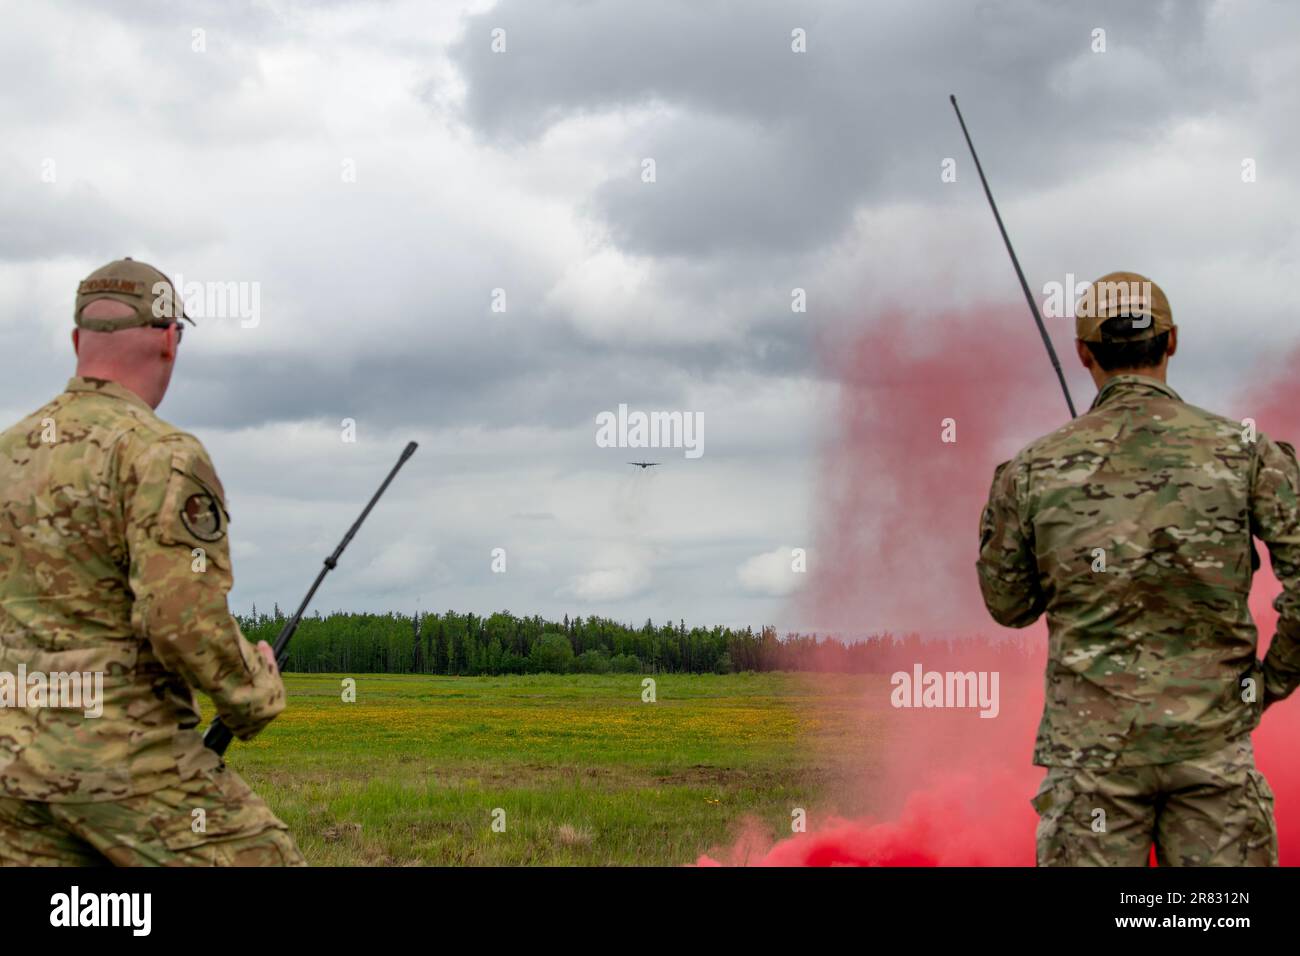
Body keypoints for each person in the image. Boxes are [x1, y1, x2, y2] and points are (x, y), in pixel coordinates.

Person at [977, 271, 1300, 866]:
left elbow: (1010, 606)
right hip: (1214, 752)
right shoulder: (1245, 451)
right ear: (1171, 341)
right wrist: (1267, 683)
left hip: (1092, 760)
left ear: (1083, 353)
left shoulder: (1032, 470)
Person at [0, 257, 304, 865]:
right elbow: (179, 616)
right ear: (170, 339)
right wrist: (254, 693)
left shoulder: (9, 454)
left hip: (11, 770)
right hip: (122, 760)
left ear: (77, 340)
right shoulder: (160, 455)